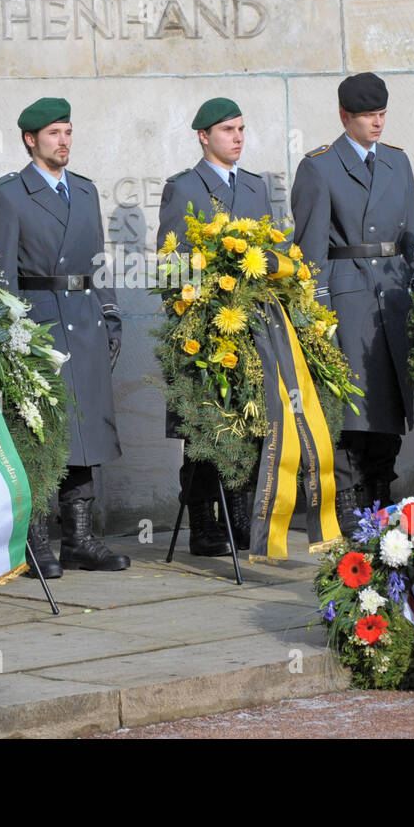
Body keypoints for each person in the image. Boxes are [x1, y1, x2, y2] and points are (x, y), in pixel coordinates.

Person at [0, 96, 128, 575]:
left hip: (84, 317)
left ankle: (81, 540)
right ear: (31, 140)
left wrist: (109, 314)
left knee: (84, 432)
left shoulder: (84, 191)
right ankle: (34, 540)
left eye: (68, 132)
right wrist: (8, 337)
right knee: (40, 433)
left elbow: (98, 263)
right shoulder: (8, 194)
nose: (64, 141)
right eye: (53, 134)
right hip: (39, 321)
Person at [290, 73, 414, 530]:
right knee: (348, 400)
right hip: (346, 293)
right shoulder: (319, 167)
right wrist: (317, 307)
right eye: (368, 116)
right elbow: (310, 250)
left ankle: (381, 487)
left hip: (393, 291)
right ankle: (344, 495)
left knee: (390, 397)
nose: (377, 123)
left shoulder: (399, 163)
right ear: (346, 116)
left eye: (382, 114)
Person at [157, 97, 273, 555]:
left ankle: (240, 515)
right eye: (227, 130)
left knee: (249, 420)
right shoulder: (184, 187)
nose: (238, 138)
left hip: (249, 327)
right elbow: (172, 266)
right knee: (204, 427)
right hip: (204, 329)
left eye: (242, 129)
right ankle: (203, 523)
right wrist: (194, 315)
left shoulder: (257, 188)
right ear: (203, 136)